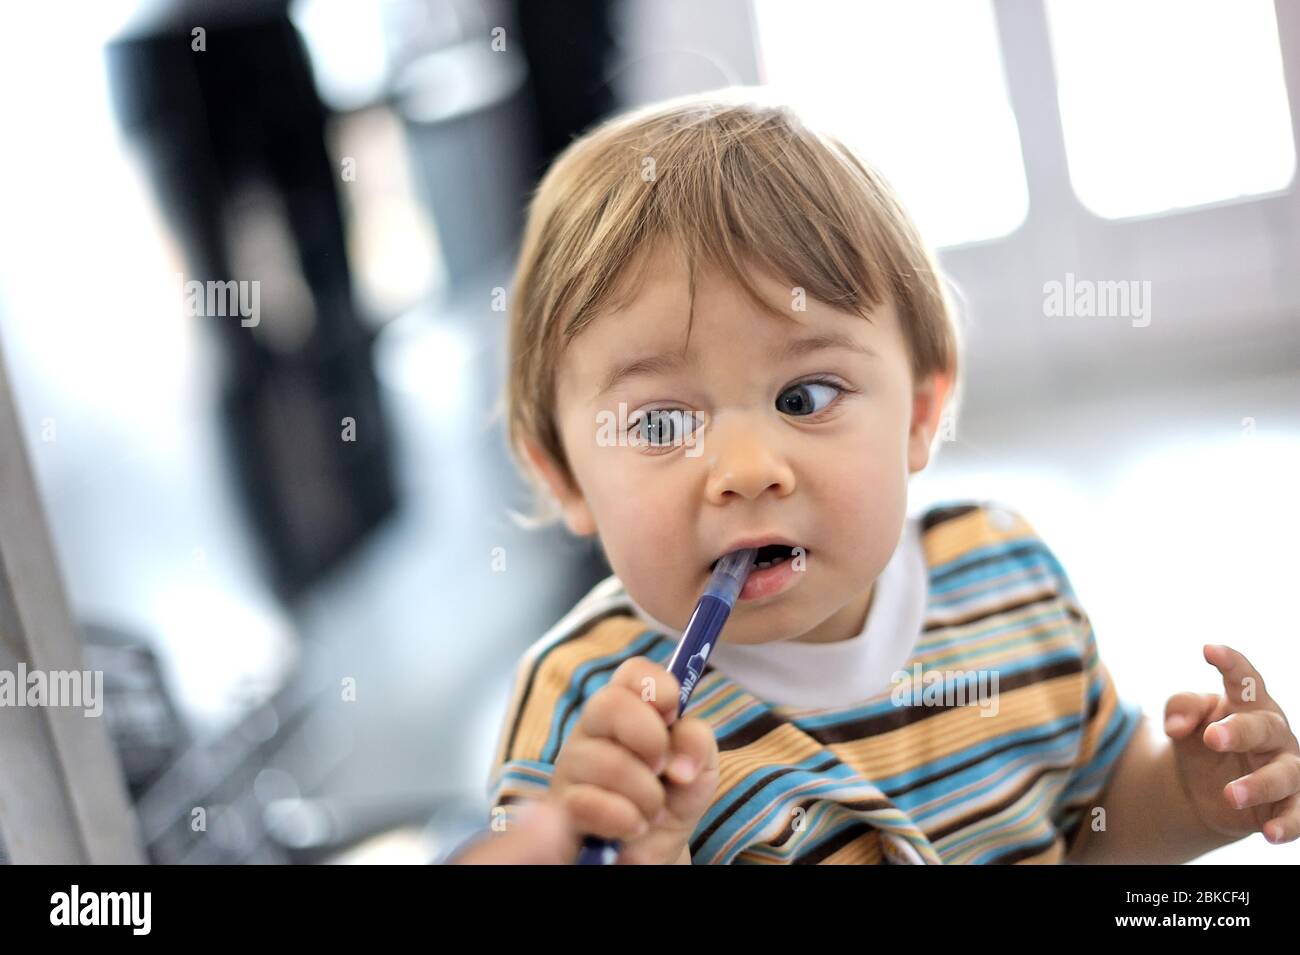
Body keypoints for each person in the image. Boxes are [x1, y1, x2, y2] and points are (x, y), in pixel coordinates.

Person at [484, 89, 1300, 864]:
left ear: (917, 416)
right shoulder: (581, 705)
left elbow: (1091, 824)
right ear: (562, 476)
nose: (746, 471)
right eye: (661, 423)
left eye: (803, 397)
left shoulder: (1003, 576)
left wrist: (1190, 797)